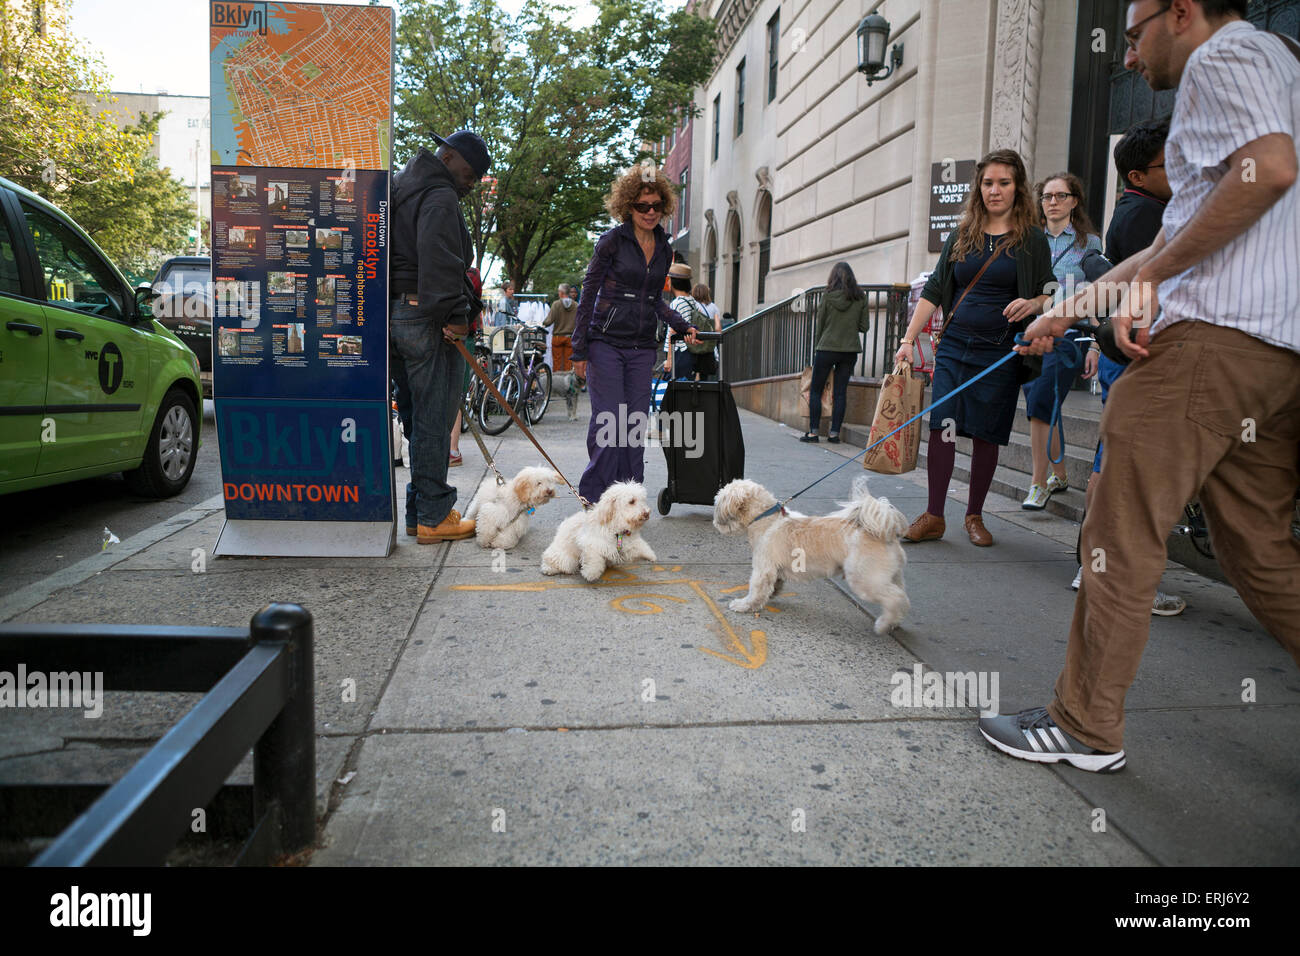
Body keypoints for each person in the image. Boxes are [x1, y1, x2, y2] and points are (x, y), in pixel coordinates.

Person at [982, 0, 1300, 772]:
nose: (1127, 57)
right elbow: (1169, 236)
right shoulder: (1283, 64)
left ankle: (1085, 726)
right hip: (1274, 352)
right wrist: (1067, 311)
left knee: (1117, 534)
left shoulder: (1223, 59)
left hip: (1206, 344)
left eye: (1133, 34)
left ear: (1181, 12)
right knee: (1259, 550)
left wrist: (1153, 281)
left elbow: (1273, 168)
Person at [892, 148, 1056, 547]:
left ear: (1017, 187)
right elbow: (934, 291)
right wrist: (908, 341)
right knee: (943, 426)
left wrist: (1035, 303)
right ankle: (934, 515)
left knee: (986, 434)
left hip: (999, 353)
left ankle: (974, 515)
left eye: (1003, 183)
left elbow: (1051, 290)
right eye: (987, 183)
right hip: (954, 347)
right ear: (978, 187)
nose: (994, 191)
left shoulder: (1032, 239)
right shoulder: (962, 233)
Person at [1070, 121, 1185, 615]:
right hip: (1137, 356)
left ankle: (1097, 565)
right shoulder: (1144, 215)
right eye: (1169, 162)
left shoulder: (1143, 209)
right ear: (1139, 175)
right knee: (1120, 466)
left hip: (1127, 354)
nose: (1180, 169)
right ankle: (1104, 567)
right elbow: (1142, 284)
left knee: (1114, 462)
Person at [571, 165, 700, 503]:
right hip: (605, 343)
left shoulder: (663, 248)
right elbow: (588, 294)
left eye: (657, 205)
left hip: (642, 346)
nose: (651, 212)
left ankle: (629, 498)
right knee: (609, 420)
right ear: (628, 206)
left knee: (633, 424)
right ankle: (596, 497)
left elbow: (655, 299)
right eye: (643, 206)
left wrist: (682, 325)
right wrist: (579, 349)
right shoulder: (612, 241)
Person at [389, 129, 492, 542]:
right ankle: (434, 515)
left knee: (417, 416)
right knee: (434, 418)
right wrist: (455, 316)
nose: (470, 185)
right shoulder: (440, 195)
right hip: (427, 315)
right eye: (470, 175)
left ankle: (419, 512)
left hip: (397, 312)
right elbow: (440, 259)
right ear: (449, 158)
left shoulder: (402, 184)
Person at [1020, 173, 1102, 509]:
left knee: (1040, 400)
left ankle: (1038, 483)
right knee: (1043, 401)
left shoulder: (1089, 243)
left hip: (1070, 335)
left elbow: (1099, 292)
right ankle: (1061, 473)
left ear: (1074, 200)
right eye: (1047, 196)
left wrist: (1097, 344)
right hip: (1034, 334)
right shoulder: (1030, 241)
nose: (1053, 202)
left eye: (1060, 195)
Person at [800, 261, 869, 444]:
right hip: (849, 350)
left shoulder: (827, 296)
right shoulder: (860, 298)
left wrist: (818, 345)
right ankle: (834, 434)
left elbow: (820, 325)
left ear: (833, 277)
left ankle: (814, 433)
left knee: (816, 390)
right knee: (840, 393)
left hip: (826, 348)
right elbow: (865, 326)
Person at [664, 263, 718, 382]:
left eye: (669, 280)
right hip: (690, 353)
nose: (667, 283)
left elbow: (673, 331)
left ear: (673, 282)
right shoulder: (691, 300)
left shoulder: (677, 303)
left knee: (674, 390)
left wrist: (669, 359)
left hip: (679, 352)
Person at [544, 284, 577, 372]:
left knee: (557, 362)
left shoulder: (556, 304)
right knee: (568, 362)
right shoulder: (576, 305)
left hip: (557, 337)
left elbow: (549, 321)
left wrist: (542, 324)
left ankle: (556, 382)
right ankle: (567, 382)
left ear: (562, 293)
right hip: (570, 337)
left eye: (559, 292)